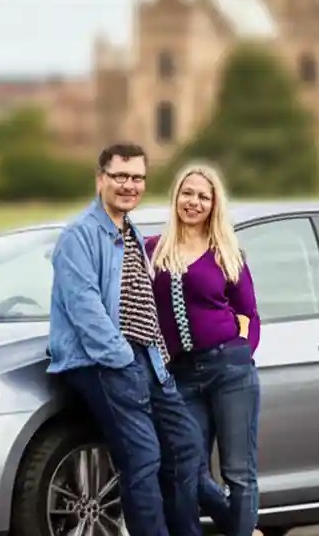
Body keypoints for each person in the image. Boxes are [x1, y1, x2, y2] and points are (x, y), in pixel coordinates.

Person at [46, 142, 216, 536]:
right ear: (100, 179)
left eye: (137, 177)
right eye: (120, 176)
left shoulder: (132, 232)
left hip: (149, 360)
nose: (130, 185)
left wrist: (155, 358)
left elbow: (142, 303)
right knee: (142, 457)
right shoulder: (80, 236)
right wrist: (122, 358)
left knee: (186, 446)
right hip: (106, 363)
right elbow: (85, 308)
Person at [146, 162, 262, 536]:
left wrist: (244, 351)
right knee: (187, 469)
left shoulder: (226, 252)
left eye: (203, 196)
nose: (193, 202)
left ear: (214, 204)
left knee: (238, 472)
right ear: (175, 197)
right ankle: (241, 529)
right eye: (187, 193)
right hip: (180, 374)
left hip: (229, 369)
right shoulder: (154, 250)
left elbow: (249, 313)